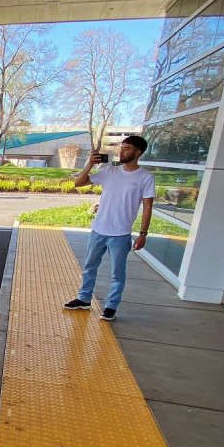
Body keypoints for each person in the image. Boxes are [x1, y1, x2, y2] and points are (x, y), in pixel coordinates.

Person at [63, 134, 155, 322]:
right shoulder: (110, 171)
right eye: (121, 148)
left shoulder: (145, 177)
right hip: (98, 230)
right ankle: (83, 298)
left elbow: (147, 206)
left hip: (120, 234)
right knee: (89, 267)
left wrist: (143, 234)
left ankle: (111, 306)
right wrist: (89, 164)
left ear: (138, 152)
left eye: (127, 149)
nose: (122, 151)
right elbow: (78, 183)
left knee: (117, 274)